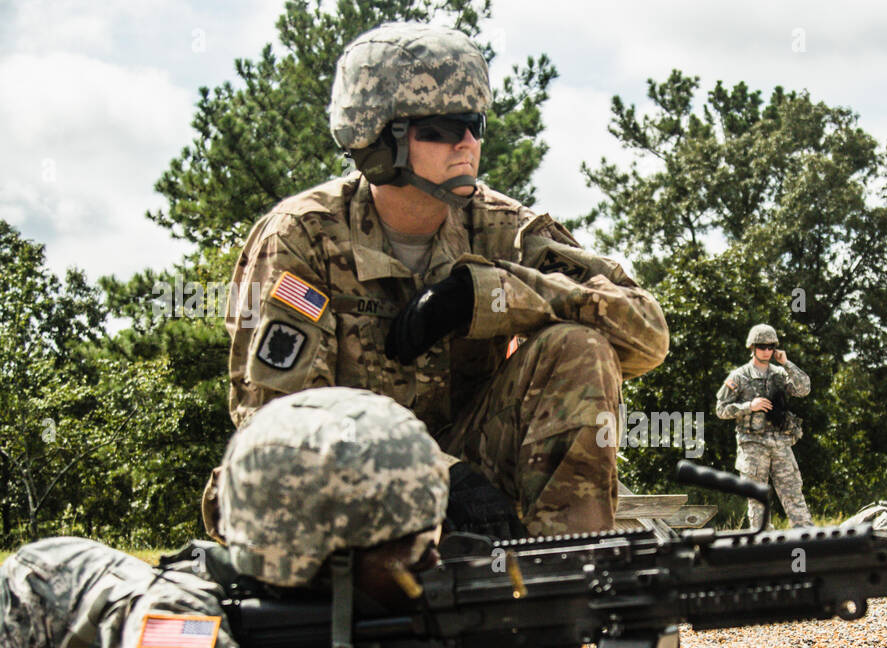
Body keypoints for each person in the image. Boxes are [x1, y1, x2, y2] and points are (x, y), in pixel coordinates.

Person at [210, 22, 668, 539]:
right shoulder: (304, 236)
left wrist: (492, 295)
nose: (468, 144)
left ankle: (572, 577)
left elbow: (647, 334)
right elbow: (281, 423)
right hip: (339, 490)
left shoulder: (503, 229)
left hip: (478, 482)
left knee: (577, 346)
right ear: (380, 140)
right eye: (443, 129)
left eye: (475, 125)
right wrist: (436, 473)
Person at [0, 389, 568, 648]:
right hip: (36, 625)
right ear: (323, 557)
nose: (432, 558)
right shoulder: (178, 621)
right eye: (406, 545)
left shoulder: (369, 608)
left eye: (431, 534)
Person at [715, 324, 812, 529]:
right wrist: (749, 406)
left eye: (770, 347)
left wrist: (786, 363)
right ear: (752, 347)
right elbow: (721, 410)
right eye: (762, 347)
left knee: (794, 494)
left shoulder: (779, 373)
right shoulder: (739, 376)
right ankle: (762, 544)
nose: (767, 351)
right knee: (757, 500)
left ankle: (807, 540)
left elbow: (804, 389)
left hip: (780, 443)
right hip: (752, 445)